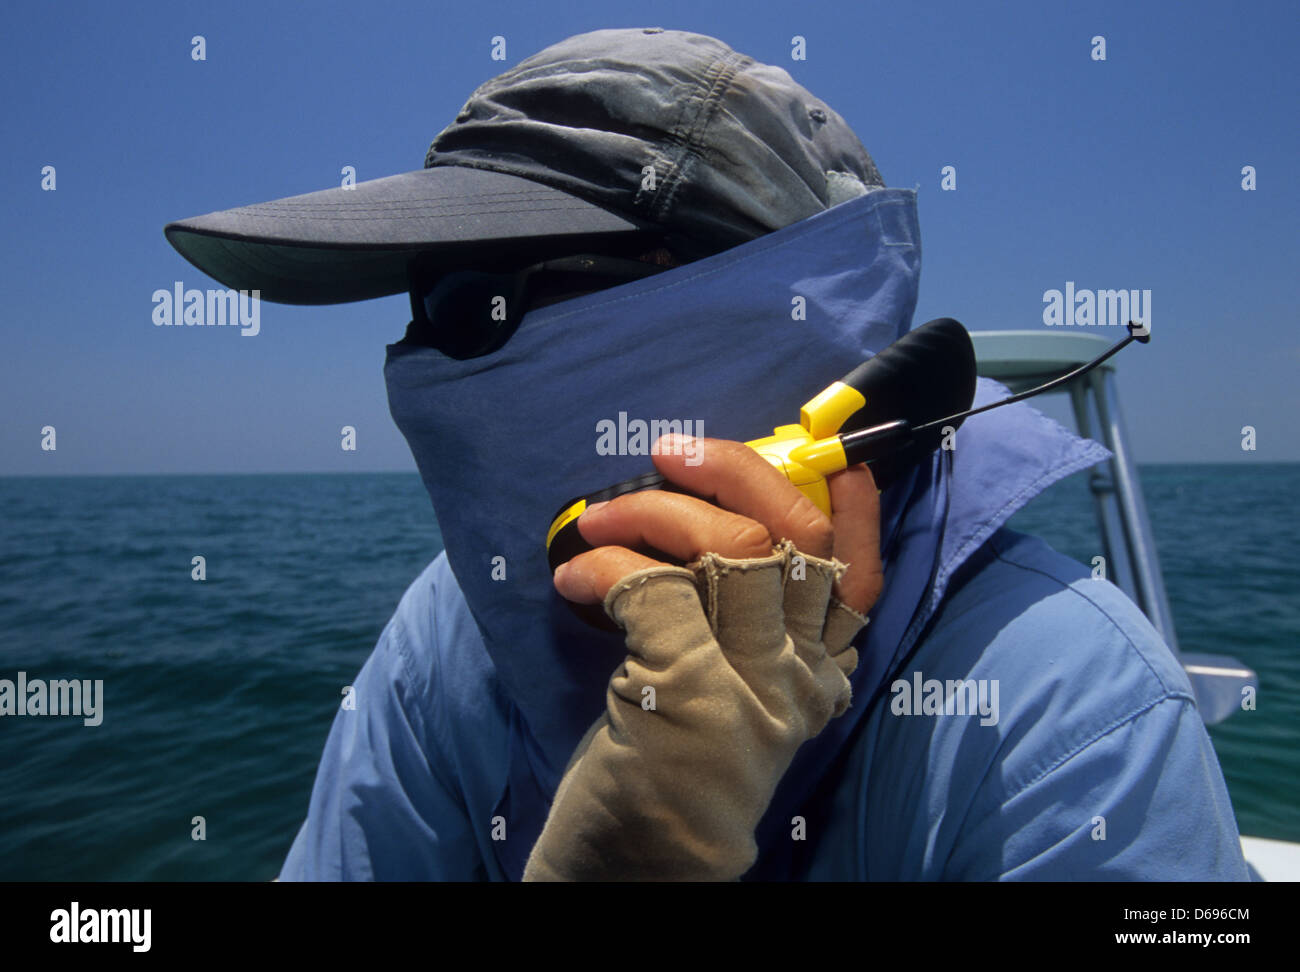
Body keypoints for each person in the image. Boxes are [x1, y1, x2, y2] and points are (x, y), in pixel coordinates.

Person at [165, 27, 1250, 880]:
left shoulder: (1069, 714)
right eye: (425, 312)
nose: (432, 363)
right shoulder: (444, 642)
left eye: (481, 301)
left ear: (764, 312)